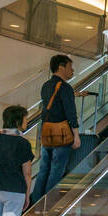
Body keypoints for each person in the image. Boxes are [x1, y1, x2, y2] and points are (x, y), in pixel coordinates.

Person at [30, 54, 86, 205]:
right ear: (61, 67)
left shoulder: (46, 86)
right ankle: (48, 204)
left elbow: (54, 103)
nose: (72, 71)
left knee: (44, 169)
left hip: (47, 132)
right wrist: (76, 135)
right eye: (70, 67)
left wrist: (74, 94)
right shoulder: (65, 87)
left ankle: (36, 202)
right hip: (61, 133)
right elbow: (70, 112)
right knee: (56, 170)